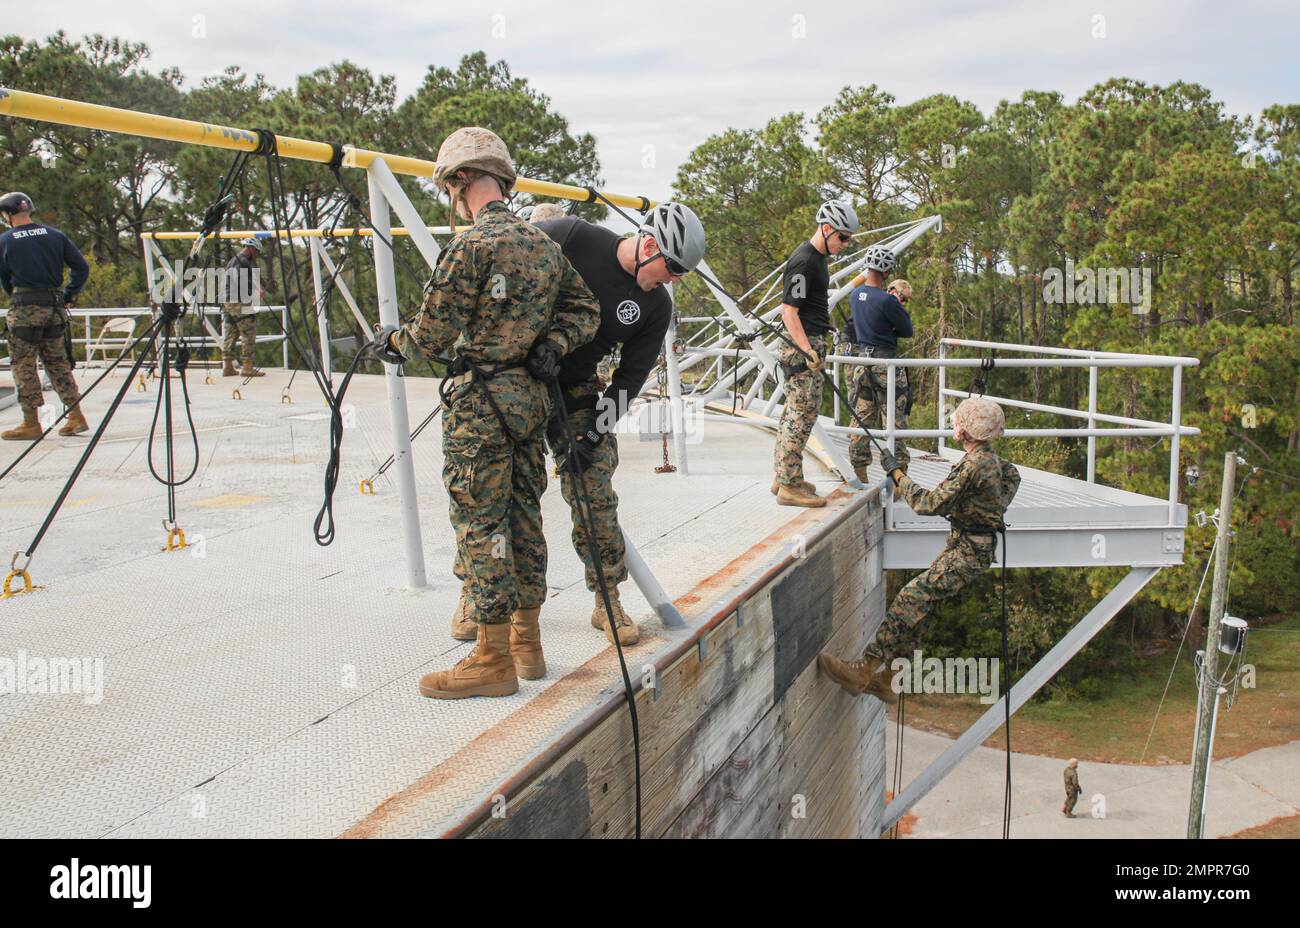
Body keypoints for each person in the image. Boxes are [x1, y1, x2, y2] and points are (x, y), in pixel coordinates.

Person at [371, 127, 599, 699]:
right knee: (524, 515)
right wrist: (555, 344)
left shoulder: (470, 247)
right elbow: (586, 310)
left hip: (480, 407)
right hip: (528, 402)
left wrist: (391, 342)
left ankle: (491, 657)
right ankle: (528, 644)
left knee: (481, 523)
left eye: (450, 185)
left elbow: (429, 339)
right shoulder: (544, 247)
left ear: (460, 181)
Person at [449, 201, 705, 647]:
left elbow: (630, 376)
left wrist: (597, 429)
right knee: (487, 487)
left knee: (595, 490)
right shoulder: (572, 236)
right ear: (648, 244)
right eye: (672, 267)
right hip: (514, 377)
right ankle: (475, 593)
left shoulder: (655, 307)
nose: (674, 280)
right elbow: (502, 255)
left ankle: (607, 599)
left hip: (575, 389)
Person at [818, 397, 1021, 702]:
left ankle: (866, 668)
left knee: (911, 597)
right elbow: (1013, 476)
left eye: (958, 422)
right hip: (970, 547)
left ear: (964, 432)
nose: (954, 425)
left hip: (968, 551)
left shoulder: (973, 466)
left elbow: (928, 504)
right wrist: (988, 510)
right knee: (921, 609)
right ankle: (889, 679)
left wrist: (897, 475)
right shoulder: (991, 458)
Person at [771, 200, 858, 507]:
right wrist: (807, 349)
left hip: (811, 340)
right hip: (802, 345)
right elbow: (788, 311)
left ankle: (783, 476)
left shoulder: (818, 258)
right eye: (842, 237)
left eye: (849, 239)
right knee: (802, 413)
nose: (845, 244)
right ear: (825, 228)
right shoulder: (805, 260)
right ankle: (789, 486)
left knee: (795, 411)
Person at [0, 192, 91, 441]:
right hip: (54, 309)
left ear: (7, 215)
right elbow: (81, 267)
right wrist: (69, 295)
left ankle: (31, 423)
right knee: (57, 363)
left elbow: (4, 279)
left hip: (24, 312)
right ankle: (76, 416)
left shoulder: (6, 240)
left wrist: (17, 297)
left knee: (24, 365)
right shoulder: (55, 235)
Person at [845, 259, 913, 482]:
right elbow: (907, 330)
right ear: (886, 272)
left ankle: (859, 471)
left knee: (862, 415)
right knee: (894, 421)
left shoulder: (855, 295)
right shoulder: (887, 301)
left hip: (863, 364)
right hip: (886, 365)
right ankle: (899, 477)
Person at [220, 238, 273, 377]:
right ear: (252, 248)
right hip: (239, 300)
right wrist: (257, 291)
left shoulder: (232, 260)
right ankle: (247, 367)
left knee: (231, 332)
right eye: (256, 252)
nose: (256, 255)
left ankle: (227, 366)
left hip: (227, 300)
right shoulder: (243, 261)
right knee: (248, 332)